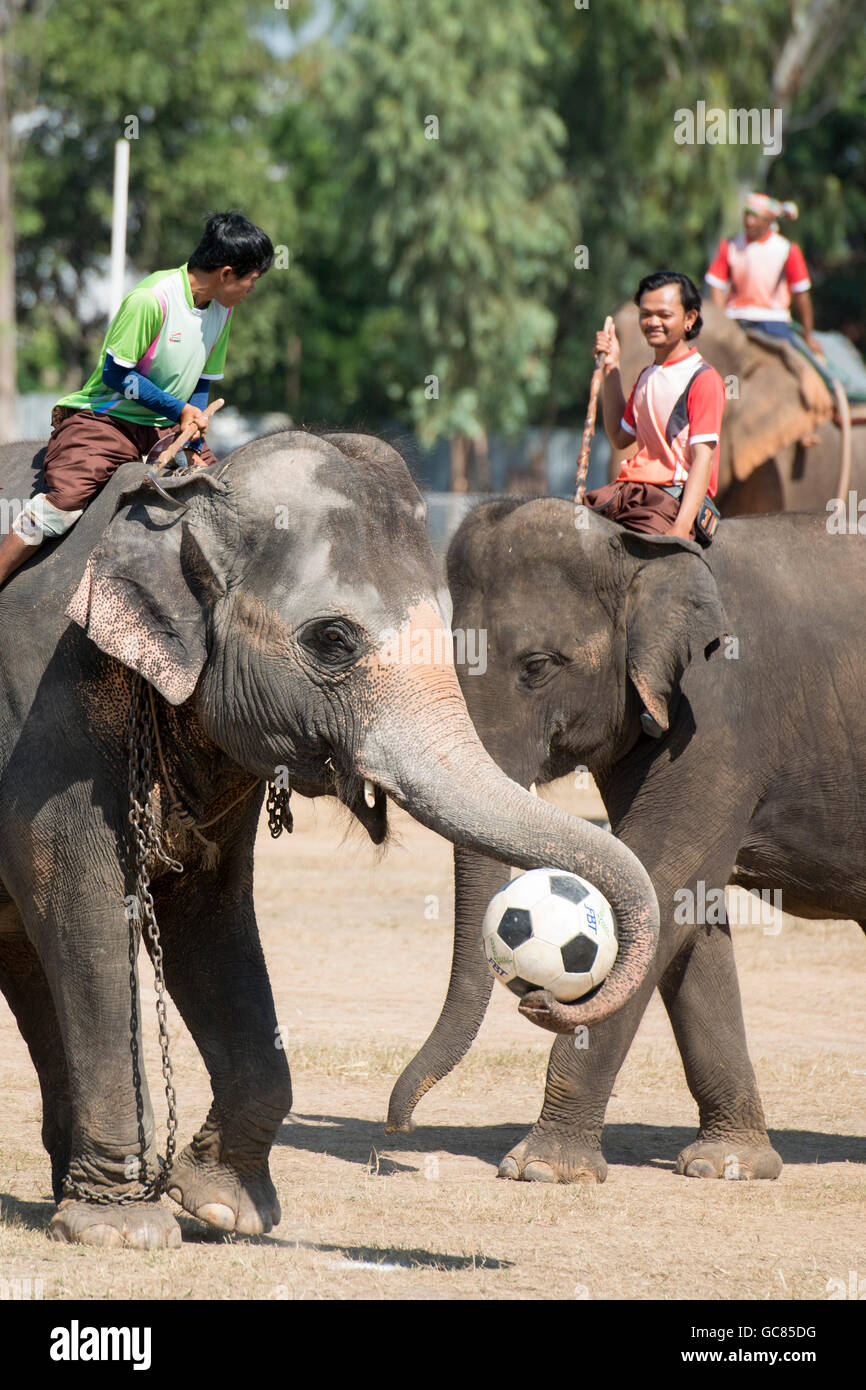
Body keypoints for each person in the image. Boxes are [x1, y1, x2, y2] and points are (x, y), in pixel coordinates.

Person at [0, 210, 274, 587]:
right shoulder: (151, 299)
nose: (251, 290)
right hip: (108, 421)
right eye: (252, 280)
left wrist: (191, 423)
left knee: (224, 499)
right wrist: (179, 409)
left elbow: (203, 380)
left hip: (167, 427)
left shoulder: (222, 313)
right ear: (227, 273)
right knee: (63, 504)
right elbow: (116, 376)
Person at [585, 270, 726, 542]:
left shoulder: (703, 378)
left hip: (669, 499)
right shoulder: (646, 376)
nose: (653, 322)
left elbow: (703, 459)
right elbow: (618, 436)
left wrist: (681, 527)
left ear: (689, 319)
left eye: (664, 315)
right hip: (632, 492)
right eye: (645, 314)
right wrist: (611, 367)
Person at [705, 192, 820, 354]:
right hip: (736, 319)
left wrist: (808, 335)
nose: (749, 221)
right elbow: (716, 285)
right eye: (747, 215)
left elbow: (801, 294)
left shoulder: (786, 250)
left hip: (773, 320)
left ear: (768, 220)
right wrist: (721, 321)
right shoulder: (730, 246)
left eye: (755, 217)